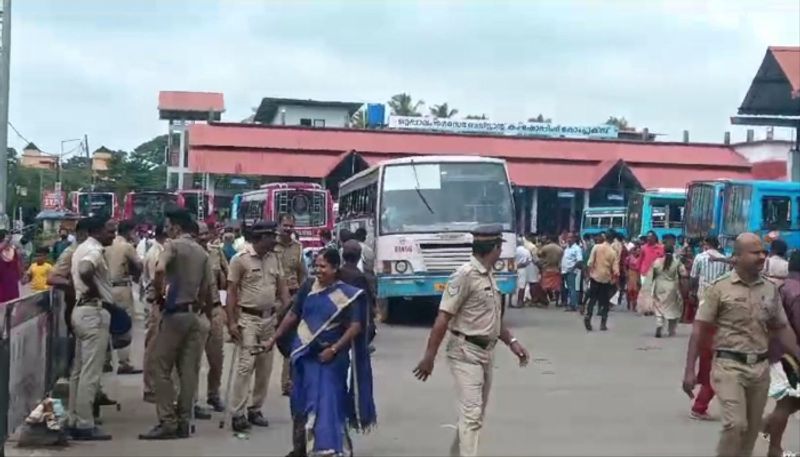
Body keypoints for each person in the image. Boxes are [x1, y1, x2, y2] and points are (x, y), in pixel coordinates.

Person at [413, 225, 530, 457]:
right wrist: (429, 357)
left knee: (474, 415)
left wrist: (512, 342)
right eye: (499, 247)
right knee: (472, 414)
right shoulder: (464, 275)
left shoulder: (488, 275)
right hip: (464, 352)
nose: (501, 251)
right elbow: (443, 317)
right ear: (493, 249)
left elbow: (493, 320)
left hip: (486, 352)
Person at [682, 232, 800, 457]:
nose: (761, 257)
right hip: (729, 366)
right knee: (736, 424)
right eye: (755, 252)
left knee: (751, 432)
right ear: (736, 256)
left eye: (763, 252)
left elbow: (781, 328)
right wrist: (690, 370)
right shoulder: (719, 289)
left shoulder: (769, 289)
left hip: (760, 368)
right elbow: (699, 330)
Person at [266, 248, 376, 457]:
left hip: (332, 358)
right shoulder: (308, 286)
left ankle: (331, 448)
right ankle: (302, 448)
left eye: (323, 266)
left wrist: (334, 349)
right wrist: (274, 337)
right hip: (305, 355)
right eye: (316, 265)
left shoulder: (346, 294)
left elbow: (356, 326)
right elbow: (292, 314)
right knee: (301, 401)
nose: (318, 270)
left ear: (335, 268)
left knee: (328, 401)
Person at [139, 209, 216, 440]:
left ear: (175, 227)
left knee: (159, 367)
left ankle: (167, 421)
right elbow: (207, 290)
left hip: (174, 314)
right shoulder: (202, 253)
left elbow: (160, 268)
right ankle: (184, 421)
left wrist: (159, 293)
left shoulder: (172, 246)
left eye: (168, 224)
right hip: (194, 313)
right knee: (188, 371)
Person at [226, 220, 290, 432]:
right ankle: (238, 413)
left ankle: (255, 409)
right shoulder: (240, 260)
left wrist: (284, 311)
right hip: (248, 319)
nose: (275, 240)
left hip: (269, 319)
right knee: (245, 367)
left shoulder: (274, 259)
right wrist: (232, 322)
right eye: (271, 236)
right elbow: (232, 293)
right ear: (261, 238)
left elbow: (283, 289)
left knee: (265, 367)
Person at [67, 216, 116, 441]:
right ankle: (85, 423)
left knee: (78, 371)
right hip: (93, 313)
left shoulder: (80, 248)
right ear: (97, 231)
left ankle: (74, 419)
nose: (113, 235)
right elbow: (86, 270)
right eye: (110, 231)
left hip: (81, 312)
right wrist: (95, 291)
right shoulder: (94, 251)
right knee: (90, 372)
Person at [687, 236, 730, 421]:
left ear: (705, 244)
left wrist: (691, 293)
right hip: (721, 306)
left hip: (704, 301)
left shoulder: (700, 258)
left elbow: (693, 278)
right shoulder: (724, 260)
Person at [762, 250, 800, 457]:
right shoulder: (798, 292)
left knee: (791, 401)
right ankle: (774, 449)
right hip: (791, 356)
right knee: (785, 403)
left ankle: (766, 425)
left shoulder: (785, 286)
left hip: (779, 353)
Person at [104, 219, 143, 375]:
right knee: (124, 325)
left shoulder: (104, 245)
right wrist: (136, 276)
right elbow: (138, 265)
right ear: (129, 232)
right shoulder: (126, 246)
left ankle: (105, 361)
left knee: (106, 325)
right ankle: (124, 362)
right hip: (121, 288)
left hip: (105, 288)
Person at [275, 214, 307, 397]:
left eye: (291, 226)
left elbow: (302, 274)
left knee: (290, 341)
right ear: (279, 226)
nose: (288, 229)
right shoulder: (271, 246)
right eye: (285, 225)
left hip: (293, 298)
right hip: (273, 298)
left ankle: (288, 382)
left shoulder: (298, 248)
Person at [196, 222, 227, 413]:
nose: (204, 237)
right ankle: (190, 400)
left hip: (215, 308)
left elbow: (227, 277)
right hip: (196, 310)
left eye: (206, 233)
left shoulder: (216, 252)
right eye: (200, 233)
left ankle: (213, 394)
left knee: (216, 357)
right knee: (192, 360)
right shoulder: (187, 254)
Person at [142, 224, 168, 404]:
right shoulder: (156, 254)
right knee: (153, 346)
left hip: (159, 303)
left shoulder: (160, 251)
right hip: (157, 304)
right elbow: (156, 280)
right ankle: (150, 387)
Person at [339, 240, 377, 343]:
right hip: (356, 325)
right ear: (359, 256)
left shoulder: (337, 274)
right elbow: (367, 302)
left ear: (342, 256)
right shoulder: (360, 277)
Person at [649, 244, 687, 338]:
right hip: (672, 287)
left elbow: (651, 275)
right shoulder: (677, 262)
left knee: (658, 306)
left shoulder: (657, 261)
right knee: (673, 308)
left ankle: (659, 323)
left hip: (659, 286)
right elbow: (684, 273)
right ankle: (671, 330)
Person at [584, 232, 619, 332]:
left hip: (595, 277)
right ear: (612, 240)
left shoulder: (596, 247)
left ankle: (588, 316)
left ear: (605, 238)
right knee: (605, 302)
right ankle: (603, 323)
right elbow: (615, 270)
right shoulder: (613, 252)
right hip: (606, 279)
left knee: (592, 299)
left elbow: (590, 263)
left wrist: (588, 275)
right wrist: (615, 280)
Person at [636, 231, 664, 316]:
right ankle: (646, 309)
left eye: (650, 237)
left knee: (655, 291)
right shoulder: (643, 248)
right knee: (646, 291)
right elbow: (639, 261)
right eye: (647, 237)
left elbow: (663, 260)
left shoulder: (660, 248)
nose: (648, 238)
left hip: (657, 273)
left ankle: (653, 308)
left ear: (655, 238)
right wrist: (638, 273)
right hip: (644, 272)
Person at [538, 235, 563, 306]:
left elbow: (539, 254)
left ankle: (545, 301)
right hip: (556, 269)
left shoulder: (546, 248)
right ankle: (557, 302)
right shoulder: (560, 249)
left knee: (544, 286)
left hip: (547, 269)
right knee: (557, 287)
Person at [560, 233, 583, 312]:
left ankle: (573, 305)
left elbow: (579, 260)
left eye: (570, 237)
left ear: (574, 239)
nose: (568, 239)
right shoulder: (567, 248)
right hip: (565, 270)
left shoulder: (576, 248)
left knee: (572, 288)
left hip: (571, 271)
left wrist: (572, 269)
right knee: (568, 288)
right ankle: (571, 304)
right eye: (567, 237)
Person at [0, 229, 22, 303]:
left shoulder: (13, 249)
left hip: (12, 281)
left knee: (13, 301)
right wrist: (5, 241)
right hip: (2, 282)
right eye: (6, 238)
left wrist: (21, 275)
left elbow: (18, 263)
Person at [514, 237, 533, 308]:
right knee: (522, 286)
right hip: (523, 269)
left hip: (514, 269)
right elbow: (529, 260)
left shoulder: (514, 250)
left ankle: (513, 302)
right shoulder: (526, 251)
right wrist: (523, 264)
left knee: (515, 285)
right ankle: (520, 301)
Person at [625, 242, 642, 312]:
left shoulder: (641, 258)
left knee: (636, 290)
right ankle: (629, 302)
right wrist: (626, 273)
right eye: (636, 251)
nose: (638, 252)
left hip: (637, 273)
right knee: (629, 290)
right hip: (630, 273)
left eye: (639, 251)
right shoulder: (629, 257)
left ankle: (634, 305)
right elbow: (625, 265)